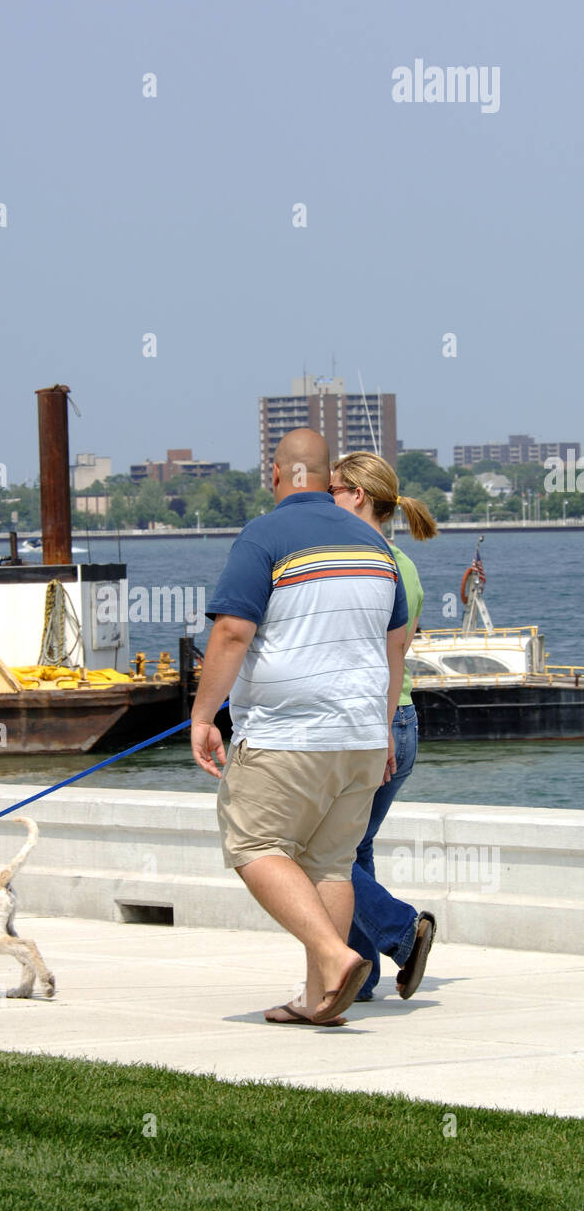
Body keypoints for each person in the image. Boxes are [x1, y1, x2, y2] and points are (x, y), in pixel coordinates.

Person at [190, 429, 409, 1025]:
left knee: (254, 844)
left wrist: (204, 715)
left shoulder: (263, 535)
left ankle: (334, 958)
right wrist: (384, 729)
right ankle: (320, 1001)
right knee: (331, 864)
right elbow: (395, 653)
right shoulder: (375, 546)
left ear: (278, 474)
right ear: (325, 475)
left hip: (289, 734)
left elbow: (233, 633)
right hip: (362, 734)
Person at [328, 452, 438, 1001]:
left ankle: (401, 931)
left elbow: (377, 653)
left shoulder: (360, 562)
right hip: (405, 720)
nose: (325, 499)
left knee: (318, 850)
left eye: (332, 490)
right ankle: (361, 974)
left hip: (376, 721)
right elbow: (403, 646)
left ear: (357, 495)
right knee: (355, 847)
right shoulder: (406, 565)